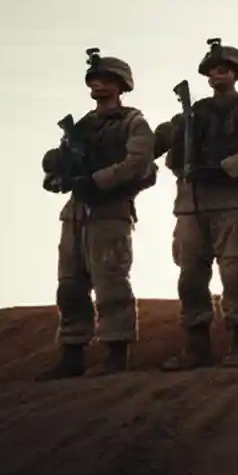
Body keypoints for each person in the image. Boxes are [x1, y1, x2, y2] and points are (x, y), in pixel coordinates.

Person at [36, 49, 155, 379]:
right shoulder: (82, 127)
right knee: (70, 285)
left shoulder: (133, 122)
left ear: (121, 85)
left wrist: (97, 180)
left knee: (111, 281)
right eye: (94, 80)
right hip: (76, 212)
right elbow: (62, 162)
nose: (98, 85)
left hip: (110, 210)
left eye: (105, 79)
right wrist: (58, 175)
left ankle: (116, 352)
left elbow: (138, 162)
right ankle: (72, 352)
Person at [162, 38, 238, 370]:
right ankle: (196, 347)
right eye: (212, 69)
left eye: (225, 68)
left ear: (237, 73)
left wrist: (225, 167)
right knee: (190, 278)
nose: (217, 74)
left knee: (236, 275)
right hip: (192, 204)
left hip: (232, 202)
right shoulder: (193, 114)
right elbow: (170, 154)